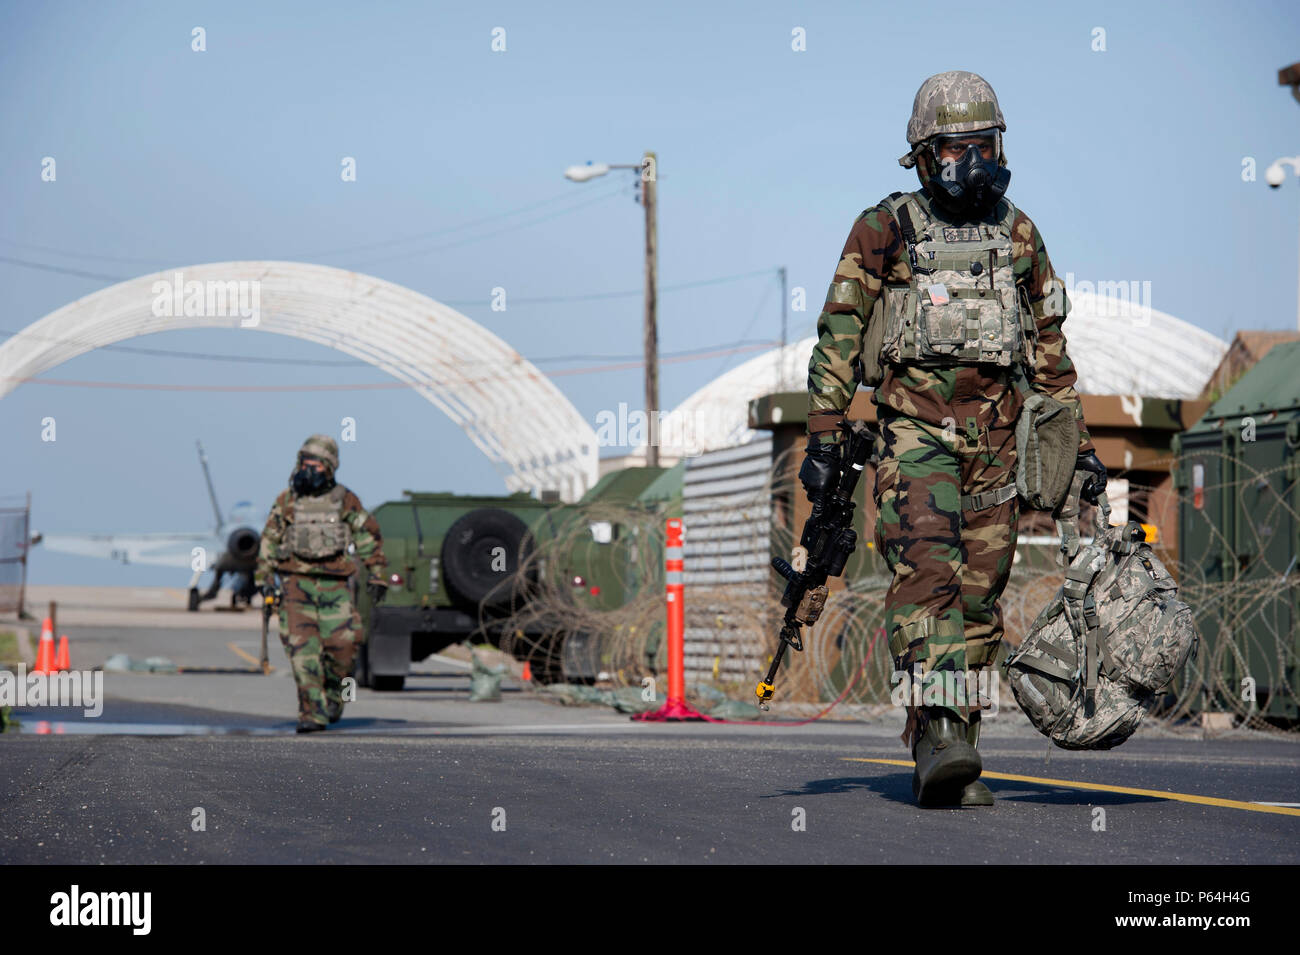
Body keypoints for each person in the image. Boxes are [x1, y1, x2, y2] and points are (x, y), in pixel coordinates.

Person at [803, 71, 1107, 806]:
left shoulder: (1019, 234)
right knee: (928, 580)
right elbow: (841, 330)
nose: (975, 162)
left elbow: (1050, 351)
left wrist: (1080, 447)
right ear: (923, 155)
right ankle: (938, 731)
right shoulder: (886, 228)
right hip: (914, 435)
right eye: (956, 149)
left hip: (998, 443)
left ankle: (955, 740)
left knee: (979, 599)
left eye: (986, 145)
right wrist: (824, 428)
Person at [253, 434, 389, 733]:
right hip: (295, 587)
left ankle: (332, 699)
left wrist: (378, 572)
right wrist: (263, 579)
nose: (308, 469)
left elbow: (367, 536)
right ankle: (311, 714)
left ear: (329, 467)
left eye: (315, 464)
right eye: (304, 462)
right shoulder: (287, 501)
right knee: (304, 654)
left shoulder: (345, 500)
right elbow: (270, 540)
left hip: (335, 587)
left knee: (343, 651)